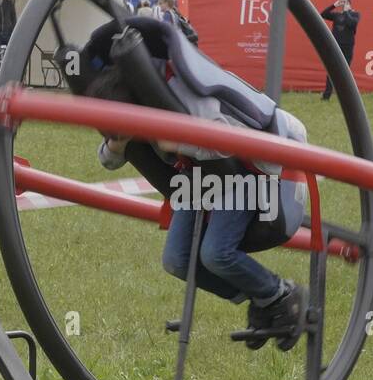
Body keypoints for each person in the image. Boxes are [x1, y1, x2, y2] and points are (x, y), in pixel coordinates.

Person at [93, 73, 307, 350]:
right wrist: (117, 142)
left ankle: (281, 294)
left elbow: (222, 139)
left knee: (216, 254)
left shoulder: (188, 95)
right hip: (197, 177)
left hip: (243, 169)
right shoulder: (134, 105)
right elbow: (108, 158)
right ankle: (263, 296)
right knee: (176, 260)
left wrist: (177, 143)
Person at [320, 0, 359, 101]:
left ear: (349, 3)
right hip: (335, 46)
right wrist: (334, 5)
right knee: (331, 70)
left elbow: (351, 23)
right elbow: (323, 14)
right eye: (342, 2)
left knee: (345, 72)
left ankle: (346, 96)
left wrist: (347, 11)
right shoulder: (336, 15)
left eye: (345, 2)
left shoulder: (355, 14)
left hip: (347, 47)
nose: (343, 4)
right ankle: (326, 95)